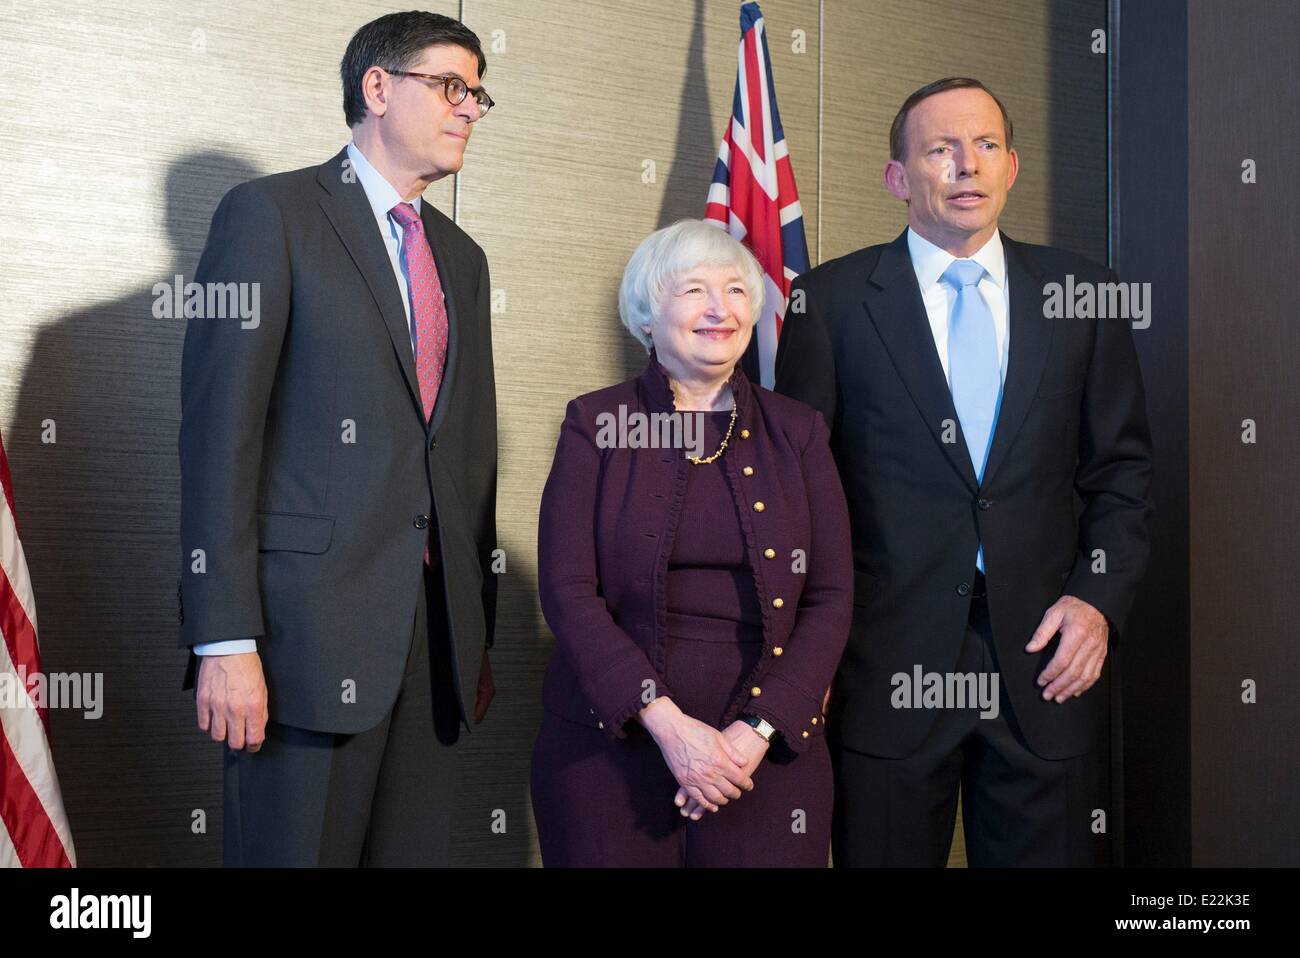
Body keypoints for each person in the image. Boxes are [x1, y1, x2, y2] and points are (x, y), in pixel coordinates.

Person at [775, 77, 1153, 866]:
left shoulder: (1082, 295)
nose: (966, 166)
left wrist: (1096, 601)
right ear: (897, 176)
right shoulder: (829, 303)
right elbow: (799, 499)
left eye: (985, 146)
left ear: (1013, 166)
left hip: (1046, 669)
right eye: (940, 149)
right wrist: (810, 654)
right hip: (882, 671)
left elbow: (1121, 473)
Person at [178, 11, 499, 866]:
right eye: (451, 86)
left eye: (479, 94)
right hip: (299, 647)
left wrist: (474, 634)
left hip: (435, 652)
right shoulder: (269, 215)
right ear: (378, 88)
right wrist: (225, 638)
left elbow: (465, 458)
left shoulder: (461, 258)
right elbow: (220, 442)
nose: (470, 108)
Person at [530, 219, 853, 867]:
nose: (719, 308)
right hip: (611, 745)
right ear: (647, 316)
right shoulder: (596, 422)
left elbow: (833, 594)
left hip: (765, 756)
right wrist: (670, 729)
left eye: (736, 291)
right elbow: (568, 591)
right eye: (694, 291)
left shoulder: (799, 431)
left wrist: (754, 733)